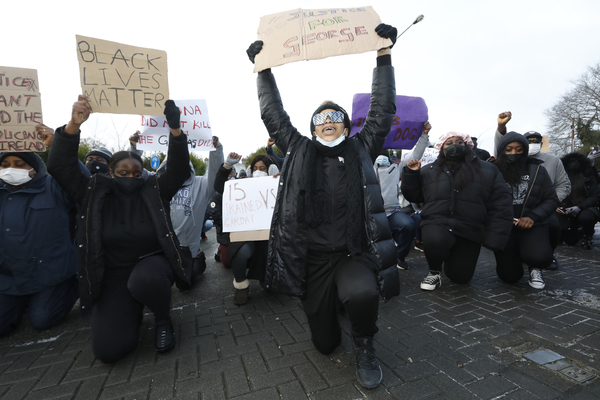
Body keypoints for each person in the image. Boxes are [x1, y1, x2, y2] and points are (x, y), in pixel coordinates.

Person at [247, 23, 399, 389]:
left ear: (347, 126)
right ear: (313, 127)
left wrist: (383, 56)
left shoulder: (361, 148)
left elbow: (383, 108)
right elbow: (273, 115)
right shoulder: (297, 150)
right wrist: (262, 70)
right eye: (320, 118)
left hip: (352, 253)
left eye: (335, 117)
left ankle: (365, 344)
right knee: (325, 344)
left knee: (361, 292)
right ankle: (334, 307)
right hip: (313, 259)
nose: (328, 121)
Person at [47, 96, 192, 363]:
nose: (131, 179)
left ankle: (162, 319)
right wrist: (73, 125)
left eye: (136, 174)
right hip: (113, 276)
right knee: (109, 351)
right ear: (110, 173)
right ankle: (130, 310)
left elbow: (179, 169)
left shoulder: (154, 189)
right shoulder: (92, 193)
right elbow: (59, 166)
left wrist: (175, 130)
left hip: (152, 266)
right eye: (123, 173)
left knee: (144, 279)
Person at [401, 132, 513, 291]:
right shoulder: (428, 170)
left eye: (459, 142)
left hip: (470, 228)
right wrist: (411, 175)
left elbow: (501, 201)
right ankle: (434, 271)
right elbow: (414, 195)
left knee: (460, 277)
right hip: (437, 223)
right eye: (449, 143)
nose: (454, 145)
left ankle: (452, 258)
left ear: (467, 145)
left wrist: (495, 235)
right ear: (441, 148)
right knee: (435, 240)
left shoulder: (488, 170)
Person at [0, 142, 80, 337]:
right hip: (10, 277)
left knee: (42, 320)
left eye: (19, 164)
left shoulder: (54, 187)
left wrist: (60, 145)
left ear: (35, 167)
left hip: (50, 274)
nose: (11, 169)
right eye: (5, 164)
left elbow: (79, 179)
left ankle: (74, 285)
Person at [495, 112, 571, 269]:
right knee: (509, 274)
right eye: (529, 141)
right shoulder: (500, 166)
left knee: (553, 227)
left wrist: (546, 205)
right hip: (510, 216)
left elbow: (563, 185)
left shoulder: (552, 160)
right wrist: (501, 127)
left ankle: (544, 258)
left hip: (541, 208)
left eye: (536, 141)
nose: (514, 153)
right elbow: (502, 146)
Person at [210, 153, 279, 305]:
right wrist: (226, 166)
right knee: (241, 251)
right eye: (255, 168)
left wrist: (281, 180)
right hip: (245, 236)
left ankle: (267, 278)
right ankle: (241, 286)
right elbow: (219, 186)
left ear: (271, 170)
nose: (258, 171)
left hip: (269, 238)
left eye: (263, 168)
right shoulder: (241, 186)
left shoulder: (277, 185)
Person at [493, 132, 559, 289]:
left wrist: (533, 216)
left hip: (532, 224)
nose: (513, 153)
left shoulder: (537, 170)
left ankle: (535, 267)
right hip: (504, 226)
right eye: (508, 149)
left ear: (525, 150)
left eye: (519, 149)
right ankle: (515, 258)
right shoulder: (493, 170)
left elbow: (551, 199)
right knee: (510, 277)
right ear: (502, 150)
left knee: (540, 257)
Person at [374, 122, 430, 270]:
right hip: (369, 213)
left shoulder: (396, 167)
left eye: (384, 154)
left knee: (408, 225)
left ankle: (399, 256)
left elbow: (415, 155)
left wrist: (424, 135)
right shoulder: (365, 168)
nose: (382, 157)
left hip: (391, 212)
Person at [156, 136, 223, 256]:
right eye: (173, 165)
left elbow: (215, 175)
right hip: (161, 250)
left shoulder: (201, 185)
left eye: (181, 165)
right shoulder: (157, 184)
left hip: (188, 252)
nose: (177, 169)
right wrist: (135, 149)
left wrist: (216, 150)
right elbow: (138, 175)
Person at [557, 152, 600, 249]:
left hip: (585, 208)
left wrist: (579, 207)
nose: (574, 164)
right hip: (566, 210)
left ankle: (587, 235)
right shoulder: (561, 178)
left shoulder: (588, 178)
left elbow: (595, 195)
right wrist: (560, 207)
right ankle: (576, 232)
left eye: (577, 161)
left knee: (586, 217)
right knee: (570, 241)